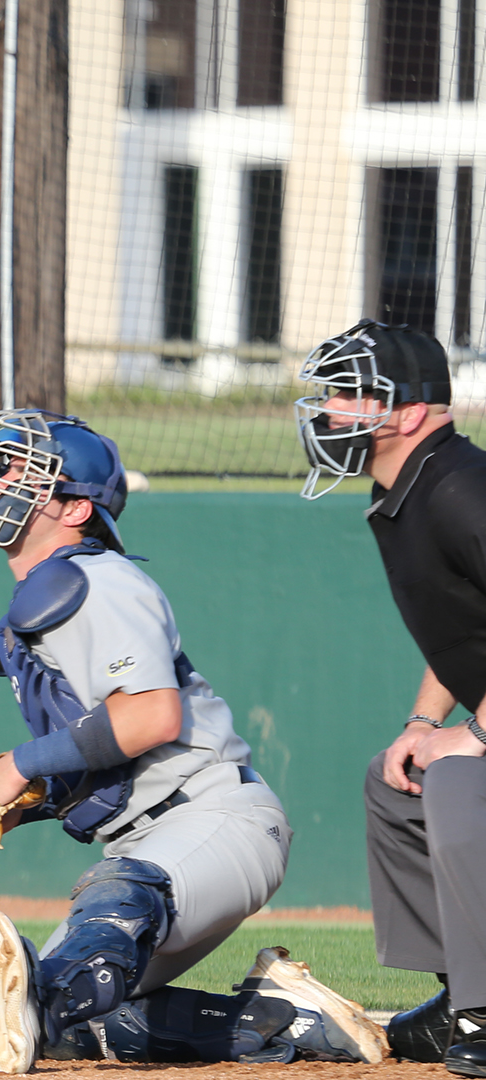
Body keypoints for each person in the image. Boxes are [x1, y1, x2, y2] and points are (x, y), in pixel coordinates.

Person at [0, 409, 386, 1072]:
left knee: (67, 960)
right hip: (147, 845)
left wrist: (18, 764)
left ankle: (58, 978)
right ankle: (285, 1014)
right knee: (63, 1015)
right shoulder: (49, 600)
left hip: (211, 820)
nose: (0, 478)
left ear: (76, 508)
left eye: (27, 471)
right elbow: (105, 750)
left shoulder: (99, 580)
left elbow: (152, 719)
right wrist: (18, 792)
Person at [294, 320, 486, 1075]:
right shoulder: (414, 485)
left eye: (350, 395)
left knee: (459, 783)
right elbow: (468, 626)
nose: (330, 411)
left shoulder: (459, 490)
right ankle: (462, 993)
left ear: (408, 413)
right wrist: (426, 720)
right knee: (399, 781)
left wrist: (475, 738)